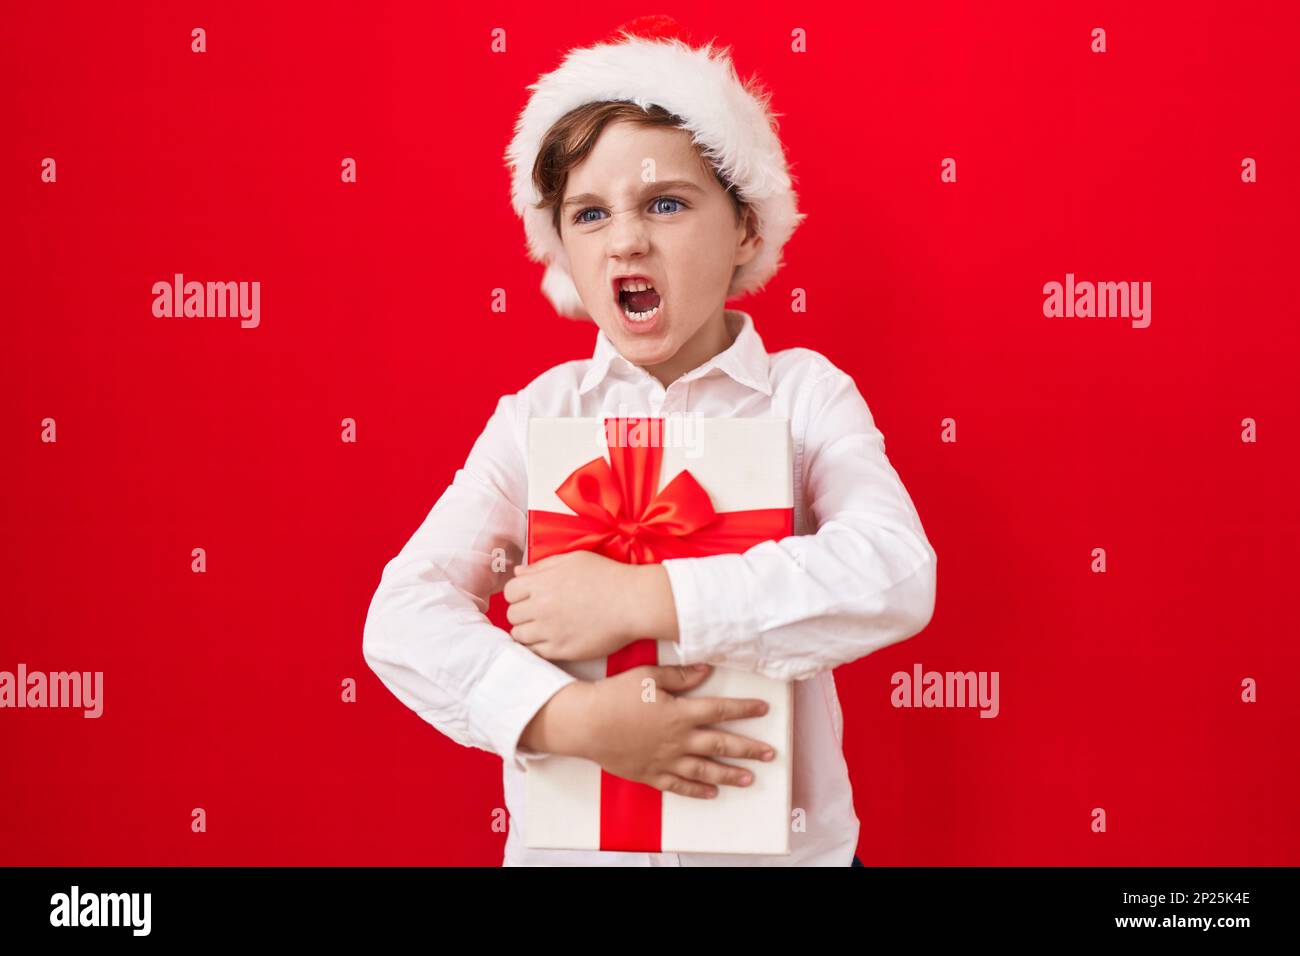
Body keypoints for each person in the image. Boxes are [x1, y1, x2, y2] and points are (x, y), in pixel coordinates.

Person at [362, 16, 937, 866]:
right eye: (589, 215)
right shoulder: (533, 418)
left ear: (746, 229)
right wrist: (572, 720)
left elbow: (894, 570)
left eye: (665, 203)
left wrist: (647, 599)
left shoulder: (805, 397)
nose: (627, 238)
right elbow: (401, 615)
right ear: (561, 247)